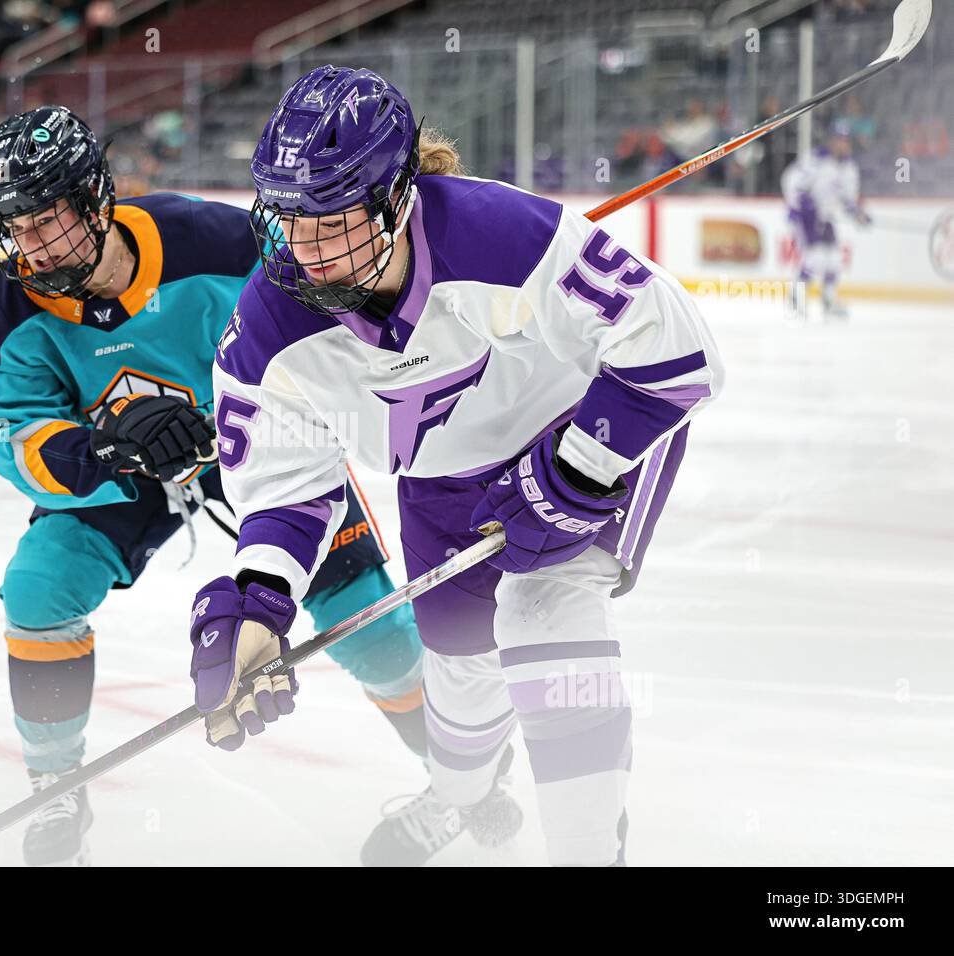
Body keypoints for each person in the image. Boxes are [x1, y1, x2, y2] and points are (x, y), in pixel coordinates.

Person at [186, 66, 724, 866]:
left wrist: (578, 469)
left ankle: (587, 849)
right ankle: (461, 795)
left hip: (587, 425)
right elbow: (286, 486)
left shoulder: (504, 234)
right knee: (460, 666)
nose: (305, 248)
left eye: (331, 219)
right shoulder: (267, 327)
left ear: (396, 199)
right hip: (440, 479)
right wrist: (260, 604)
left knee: (545, 614)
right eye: (290, 217)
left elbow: (679, 353)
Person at [0, 105, 427, 866]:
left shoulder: (212, 241)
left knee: (371, 629)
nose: (31, 245)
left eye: (47, 219)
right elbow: (15, 436)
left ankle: (462, 773)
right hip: (123, 470)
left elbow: (320, 324)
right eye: (14, 226)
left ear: (94, 201)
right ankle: (54, 788)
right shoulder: (5, 311)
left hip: (264, 443)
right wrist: (105, 446)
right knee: (38, 589)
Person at [781, 121, 871, 319]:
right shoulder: (816, 159)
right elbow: (791, 180)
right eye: (838, 139)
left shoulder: (849, 168)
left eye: (845, 140)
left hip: (826, 217)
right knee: (814, 258)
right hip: (807, 214)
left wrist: (859, 214)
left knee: (833, 260)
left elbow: (848, 200)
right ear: (831, 141)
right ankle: (797, 299)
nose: (842, 144)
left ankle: (828, 301)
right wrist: (799, 205)